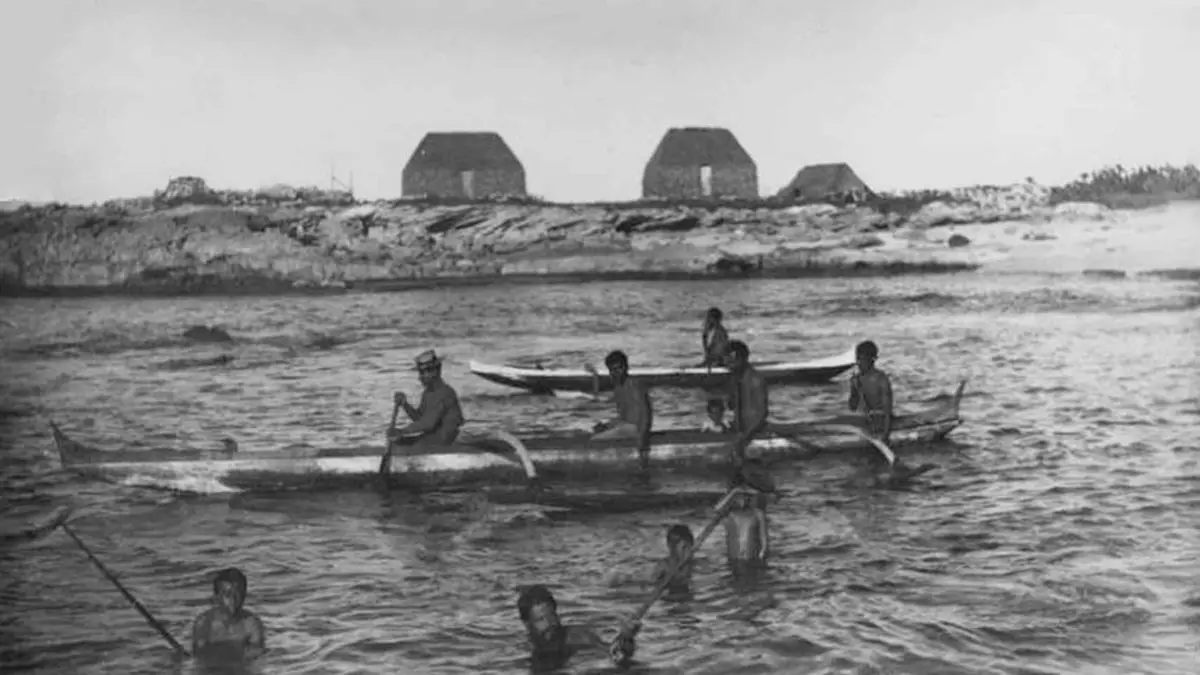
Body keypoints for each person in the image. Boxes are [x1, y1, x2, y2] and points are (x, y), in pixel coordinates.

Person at [517, 584, 640, 670]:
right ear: (527, 624)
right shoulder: (523, 647)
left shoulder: (578, 637)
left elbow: (614, 653)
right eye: (540, 620)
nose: (549, 623)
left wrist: (626, 637)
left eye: (552, 616)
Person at [587, 350, 654, 468]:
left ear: (626, 367)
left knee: (595, 440)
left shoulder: (635, 385)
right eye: (612, 370)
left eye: (619, 369)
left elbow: (646, 413)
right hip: (626, 426)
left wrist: (643, 440)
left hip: (635, 429)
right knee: (593, 430)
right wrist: (608, 425)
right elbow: (624, 416)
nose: (616, 373)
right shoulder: (618, 387)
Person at [390, 350, 464, 447]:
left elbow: (428, 424)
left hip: (444, 441)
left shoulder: (445, 393)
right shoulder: (428, 393)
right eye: (420, 373)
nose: (420, 378)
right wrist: (405, 404)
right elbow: (420, 418)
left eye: (423, 373)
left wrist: (402, 431)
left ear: (436, 371)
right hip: (433, 438)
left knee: (403, 444)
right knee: (398, 443)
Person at [191, 567, 266, 660]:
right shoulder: (204, 622)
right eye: (227, 594)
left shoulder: (251, 623)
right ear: (216, 597)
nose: (233, 599)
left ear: (245, 594)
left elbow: (257, 653)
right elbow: (199, 655)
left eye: (238, 594)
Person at [726, 340, 770, 469]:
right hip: (740, 430)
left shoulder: (755, 381)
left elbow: (761, 414)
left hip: (753, 431)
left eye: (731, 361)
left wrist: (744, 439)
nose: (728, 365)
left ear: (741, 360)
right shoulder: (736, 379)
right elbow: (732, 406)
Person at [848, 340, 893, 445]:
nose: (858, 363)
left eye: (862, 359)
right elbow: (852, 407)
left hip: (881, 421)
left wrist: (885, 435)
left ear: (872, 360)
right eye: (857, 359)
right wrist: (854, 390)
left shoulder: (881, 380)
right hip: (867, 420)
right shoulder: (856, 379)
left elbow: (887, 411)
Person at [722, 484, 770, 574]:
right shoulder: (730, 515)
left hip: (752, 558)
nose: (743, 500)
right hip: (734, 558)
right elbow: (716, 510)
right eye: (739, 497)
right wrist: (734, 492)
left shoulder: (758, 514)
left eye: (746, 496)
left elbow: (764, 539)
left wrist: (763, 555)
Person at [700, 307, 733, 431]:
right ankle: (716, 425)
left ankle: (719, 426)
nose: (706, 321)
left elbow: (718, 354)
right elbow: (710, 354)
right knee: (712, 399)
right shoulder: (713, 332)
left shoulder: (720, 333)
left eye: (708, 318)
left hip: (718, 368)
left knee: (715, 398)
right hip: (713, 366)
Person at [650, 524, 695, 592]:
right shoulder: (664, 565)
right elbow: (654, 584)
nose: (675, 546)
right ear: (668, 544)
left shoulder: (695, 564)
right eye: (673, 542)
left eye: (684, 546)